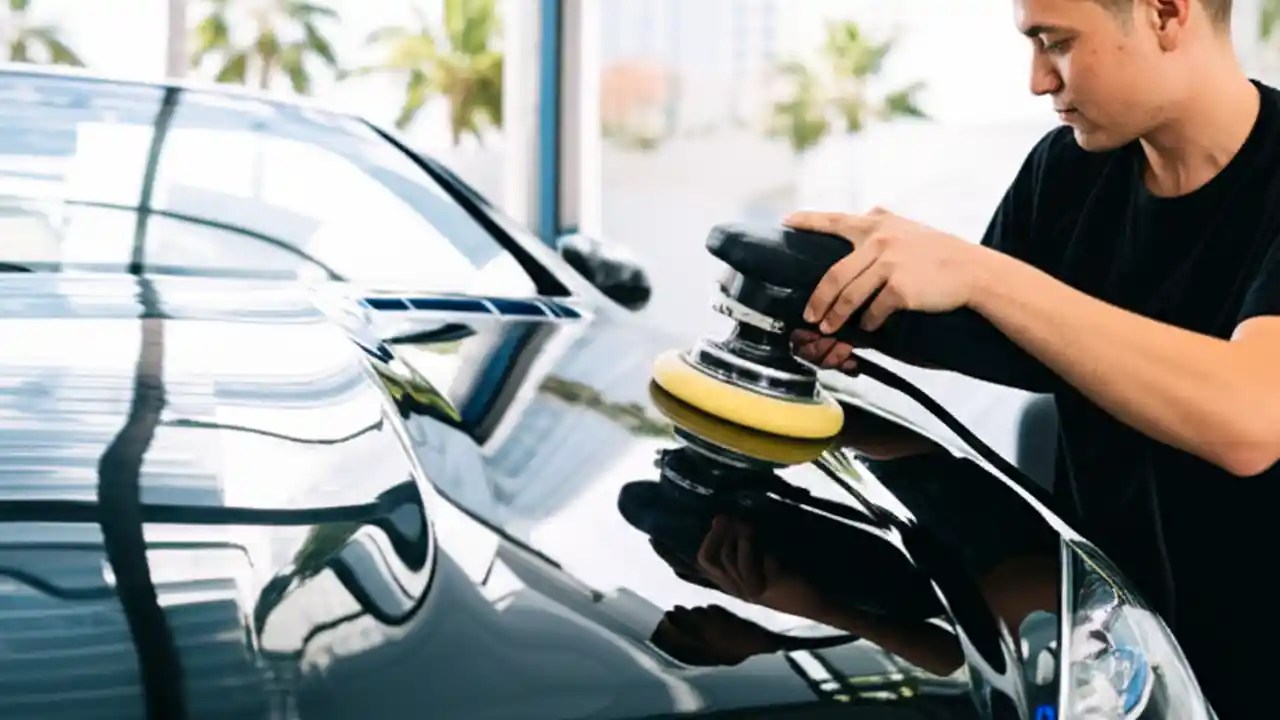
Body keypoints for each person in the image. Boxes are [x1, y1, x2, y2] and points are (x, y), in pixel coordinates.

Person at [785, 0, 1278, 714]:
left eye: (1057, 43)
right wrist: (858, 310)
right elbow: (1021, 341)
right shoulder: (1069, 173)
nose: (1038, 80)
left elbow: (1251, 419)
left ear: (1167, 15)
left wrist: (979, 275)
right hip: (1119, 672)